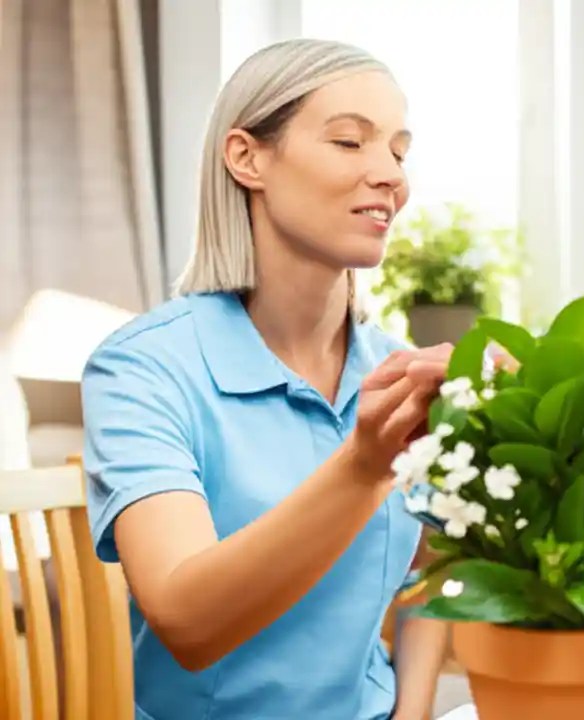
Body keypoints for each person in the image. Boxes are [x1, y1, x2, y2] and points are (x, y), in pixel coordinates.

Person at [80, 39, 452, 719]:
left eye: (398, 151)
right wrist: (364, 466)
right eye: (349, 142)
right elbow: (188, 624)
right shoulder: (144, 369)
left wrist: (415, 707)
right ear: (247, 157)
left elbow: (434, 565)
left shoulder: (397, 370)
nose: (390, 175)